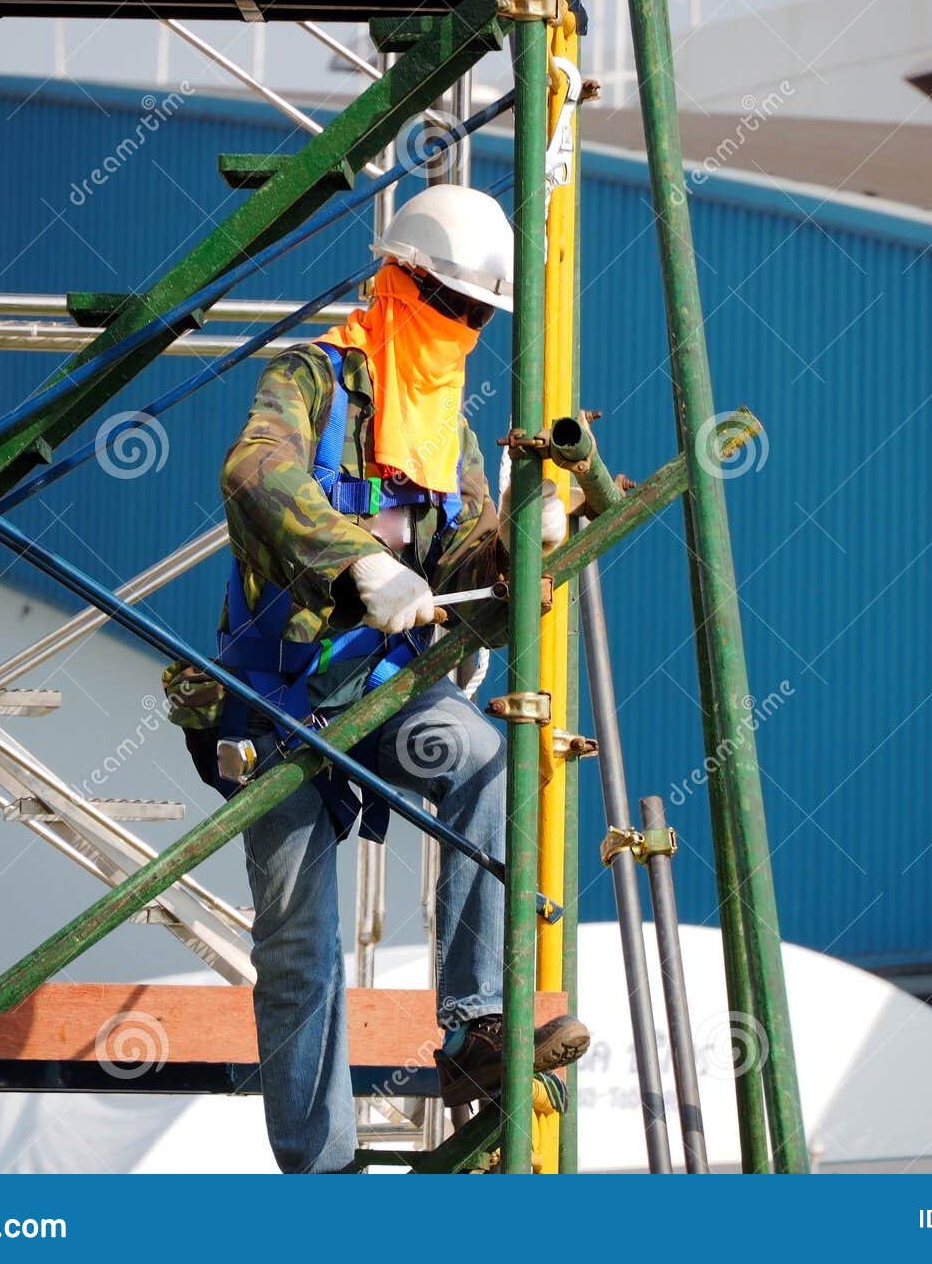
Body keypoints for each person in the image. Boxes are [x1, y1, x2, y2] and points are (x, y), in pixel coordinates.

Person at [163, 184, 588, 1174]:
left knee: (487, 757)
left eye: (479, 316)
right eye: (452, 304)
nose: (464, 329)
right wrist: (358, 560)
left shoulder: (445, 427)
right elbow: (254, 472)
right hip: (274, 706)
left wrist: (520, 538)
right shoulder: (309, 379)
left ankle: (477, 1022)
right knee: (302, 950)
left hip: (386, 697)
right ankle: (322, 1172)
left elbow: (466, 553)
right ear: (399, 281)